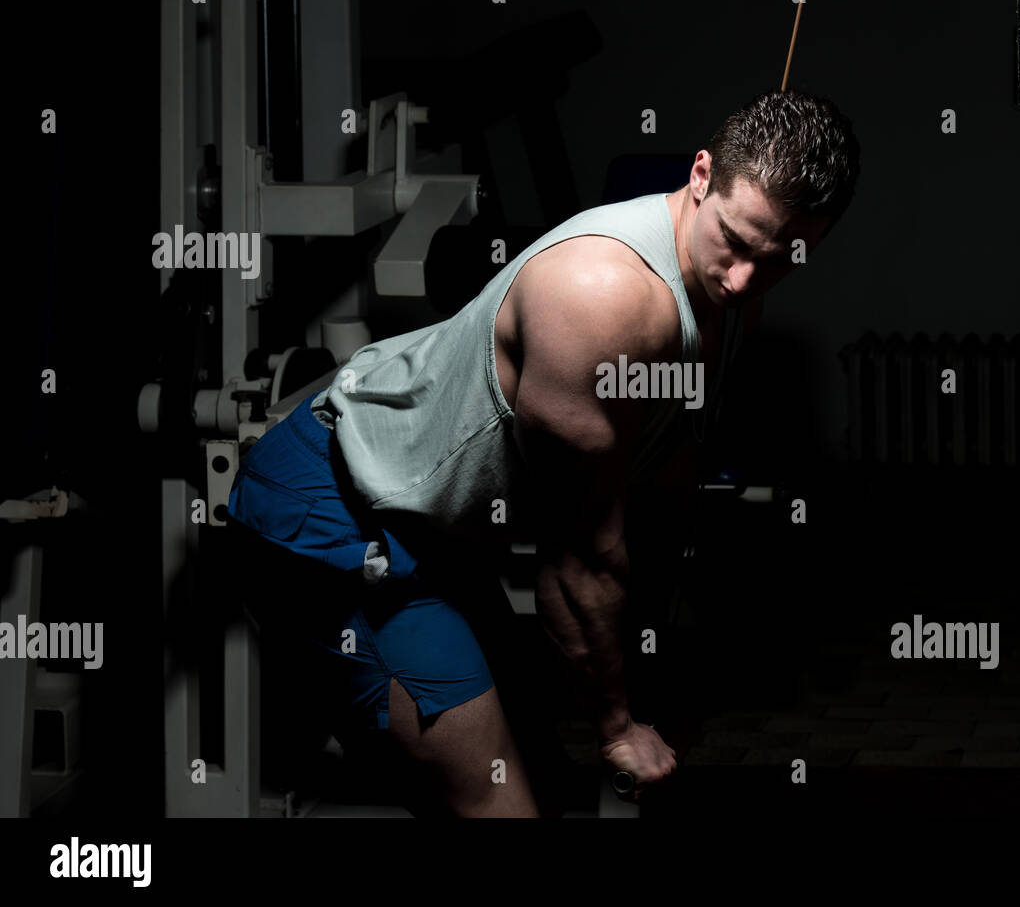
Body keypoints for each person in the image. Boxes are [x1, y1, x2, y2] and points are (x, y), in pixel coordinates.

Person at [226, 88, 860, 817]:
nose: (746, 279)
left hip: (434, 528)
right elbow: (577, 560)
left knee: (542, 772)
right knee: (501, 805)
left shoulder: (726, 286)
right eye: (738, 242)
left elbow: (659, 483)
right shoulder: (603, 297)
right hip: (335, 513)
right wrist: (617, 725)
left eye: (779, 260)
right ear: (700, 174)